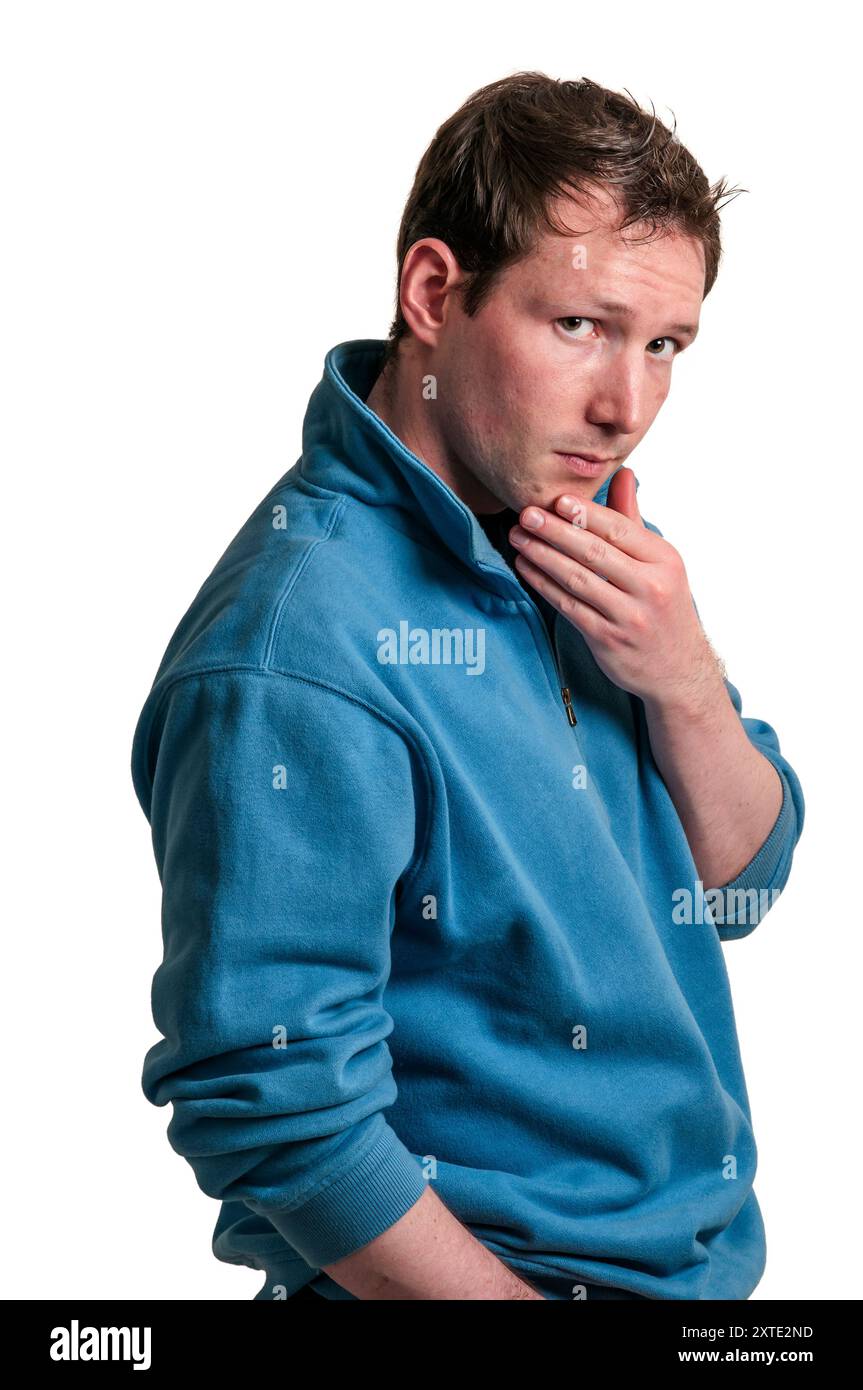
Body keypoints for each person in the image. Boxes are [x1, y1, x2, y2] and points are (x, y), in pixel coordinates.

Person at [131, 71, 804, 1302]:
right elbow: (274, 1102)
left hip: (696, 1284)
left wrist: (685, 682)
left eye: (664, 346)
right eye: (579, 327)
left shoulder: (579, 536)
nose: (627, 407)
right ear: (434, 294)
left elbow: (735, 891)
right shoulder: (298, 648)